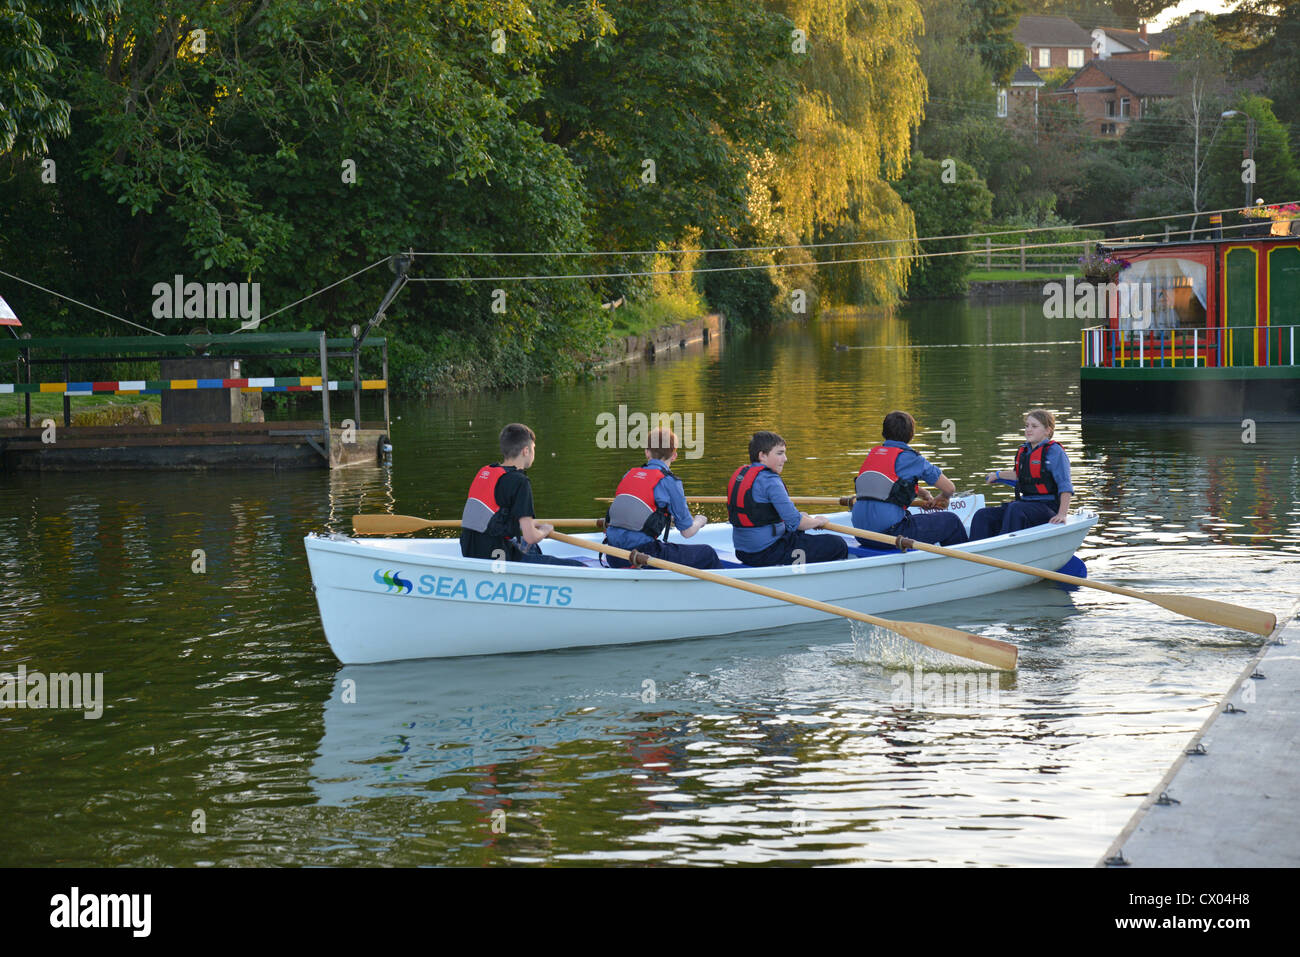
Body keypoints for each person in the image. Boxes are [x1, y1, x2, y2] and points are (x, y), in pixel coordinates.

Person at [460, 423, 584, 566]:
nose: (533, 452)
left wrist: (531, 524)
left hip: (469, 550)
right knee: (581, 567)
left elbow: (496, 517)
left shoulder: (486, 472)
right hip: (496, 557)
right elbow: (530, 537)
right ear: (526, 451)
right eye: (533, 448)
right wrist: (544, 530)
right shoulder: (520, 481)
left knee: (532, 547)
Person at [604, 427, 723, 569]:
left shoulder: (629, 474)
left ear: (647, 452)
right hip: (641, 556)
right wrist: (699, 521)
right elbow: (687, 532)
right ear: (674, 455)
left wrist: (666, 517)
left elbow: (636, 512)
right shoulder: (670, 482)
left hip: (612, 554)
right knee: (707, 553)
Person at [728, 430, 849, 567]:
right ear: (762, 455)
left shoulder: (741, 475)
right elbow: (797, 523)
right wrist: (817, 522)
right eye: (779, 453)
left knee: (799, 531)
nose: (785, 459)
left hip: (743, 552)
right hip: (767, 553)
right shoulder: (770, 480)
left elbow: (766, 514)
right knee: (837, 544)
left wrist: (801, 519)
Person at [851, 411, 967, 547]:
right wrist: (943, 498)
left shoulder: (873, 454)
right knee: (951, 521)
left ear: (884, 433)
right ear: (911, 435)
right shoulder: (912, 458)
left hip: (861, 534)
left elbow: (888, 485)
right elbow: (949, 488)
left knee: (907, 514)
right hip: (888, 536)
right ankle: (965, 565)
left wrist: (923, 494)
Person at [968, 409, 1074, 540]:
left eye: (1034, 426)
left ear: (1048, 430)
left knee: (1016, 509)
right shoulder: (1024, 451)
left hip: (1047, 507)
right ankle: (974, 550)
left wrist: (1062, 514)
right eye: (1027, 426)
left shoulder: (1055, 452)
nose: (1029, 430)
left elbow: (1065, 486)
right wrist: (997, 475)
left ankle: (1002, 546)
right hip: (1025, 504)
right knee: (983, 515)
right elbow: (1019, 476)